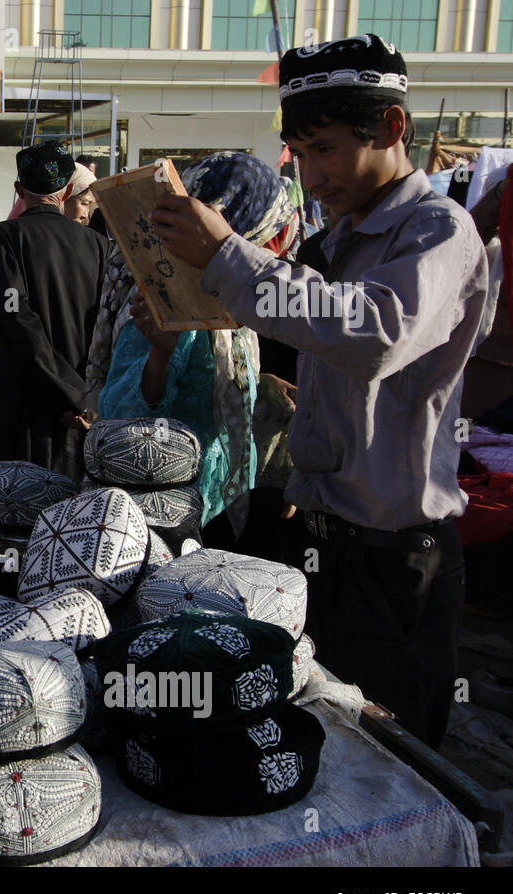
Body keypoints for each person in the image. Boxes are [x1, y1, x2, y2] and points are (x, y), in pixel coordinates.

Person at [147, 34, 491, 747]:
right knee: (323, 733)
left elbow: (370, 335)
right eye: (299, 155)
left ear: (391, 129)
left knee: (390, 757)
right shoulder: (336, 239)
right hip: (326, 539)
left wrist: (225, 256)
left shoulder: (437, 231)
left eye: (325, 149)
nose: (310, 173)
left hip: (399, 561)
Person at [97, 151, 300, 538]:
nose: (273, 248)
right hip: (168, 514)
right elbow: (116, 413)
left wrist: (264, 384)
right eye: (270, 232)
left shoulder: (227, 291)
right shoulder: (171, 292)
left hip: (218, 501)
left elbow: (208, 379)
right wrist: (160, 352)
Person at [0, 142, 110, 478]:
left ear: (19, 190)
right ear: (67, 191)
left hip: (22, 403)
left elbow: (15, 313)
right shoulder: (97, 246)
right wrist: (81, 394)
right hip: (76, 408)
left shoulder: (2, 240)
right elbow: (104, 325)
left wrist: (68, 389)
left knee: (18, 505)